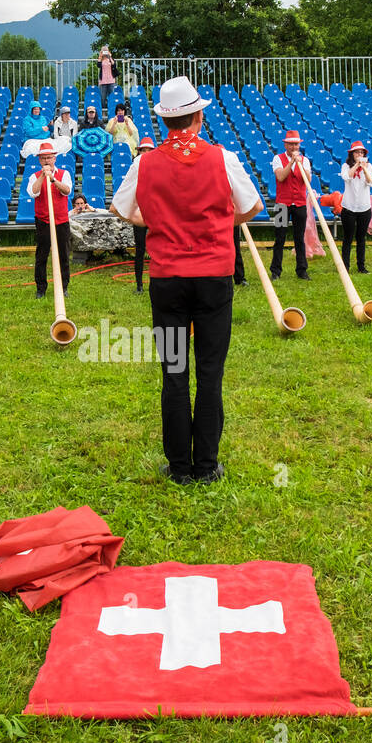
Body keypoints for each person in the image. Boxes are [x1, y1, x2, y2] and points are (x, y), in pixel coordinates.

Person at [110, 75, 262, 485]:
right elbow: (252, 207)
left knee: (174, 370)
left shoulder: (144, 162)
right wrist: (215, 224)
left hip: (168, 279)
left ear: (165, 122)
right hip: (214, 275)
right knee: (210, 372)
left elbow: (121, 208)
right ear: (197, 117)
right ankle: (207, 465)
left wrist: (160, 222)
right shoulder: (223, 157)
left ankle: (179, 467)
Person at [26, 141, 72, 300]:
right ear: (39, 160)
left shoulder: (64, 174)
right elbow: (33, 193)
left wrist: (52, 179)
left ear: (55, 158)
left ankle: (64, 287)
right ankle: (41, 288)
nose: (46, 160)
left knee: (63, 255)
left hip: (61, 220)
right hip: (43, 221)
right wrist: (42, 177)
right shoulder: (33, 176)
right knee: (41, 256)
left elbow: (67, 191)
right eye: (43, 158)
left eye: (49, 157)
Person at [270, 130, 311, 280]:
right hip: (282, 204)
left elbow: (308, 180)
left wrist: (299, 163)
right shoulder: (277, 158)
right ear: (285, 145)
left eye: (296, 144)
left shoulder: (305, 160)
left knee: (299, 238)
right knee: (279, 237)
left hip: (299, 203)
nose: (294, 147)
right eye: (291, 144)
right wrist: (292, 162)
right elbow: (280, 177)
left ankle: (302, 270)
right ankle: (276, 271)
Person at [338, 140, 372, 274]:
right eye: (357, 152)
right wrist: (357, 165)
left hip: (364, 207)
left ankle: (361, 266)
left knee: (361, 238)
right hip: (349, 207)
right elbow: (347, 177)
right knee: (348, 237)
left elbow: (371, 182)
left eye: (361, 152)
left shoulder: (368, 167)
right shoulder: (346, 166)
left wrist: (364, 168)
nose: (359, 154)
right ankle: (345, 267)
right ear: (352, 154)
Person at [130, 136, 154, 292]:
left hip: (155, 211)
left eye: (148, 150)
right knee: (140, 249)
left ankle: (157, 282)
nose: (145, 152)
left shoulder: (160, 167)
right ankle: (139, 284)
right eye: (143, 150)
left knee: (157, 249)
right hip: (139, 211)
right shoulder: (135, 167)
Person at [97, 46, 118, 110]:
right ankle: (103, 110)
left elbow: (114, 65)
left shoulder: (110, 59)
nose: (105, 53)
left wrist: (110, 56)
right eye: (104, 51)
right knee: (103, 97)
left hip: (111, 80)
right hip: (103, 80)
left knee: (111, 96)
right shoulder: (101, 59)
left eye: (106, 51)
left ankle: (112, 108)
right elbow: (98, 65)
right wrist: (100, 57)